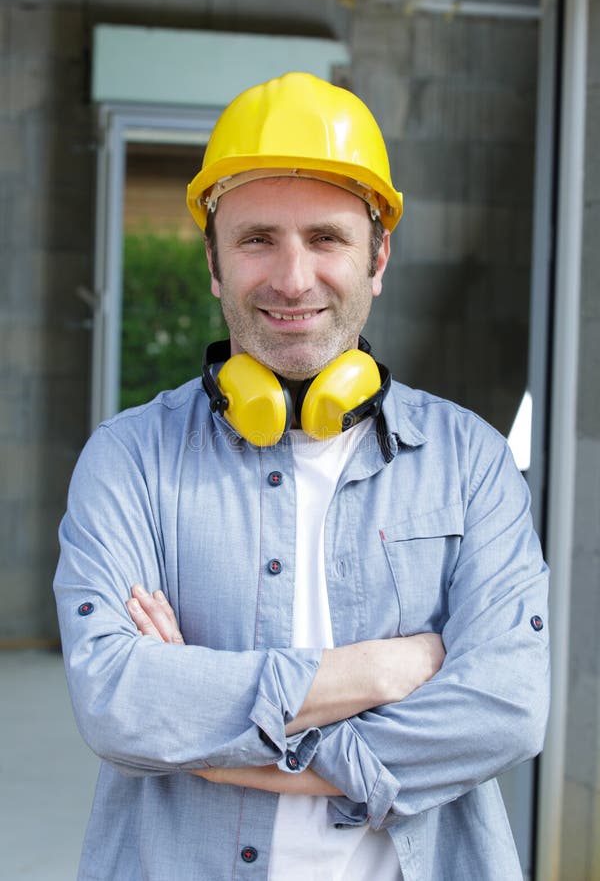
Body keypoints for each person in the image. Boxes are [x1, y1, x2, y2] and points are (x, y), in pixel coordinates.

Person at [54, 72, 550, 881]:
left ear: (377, 255)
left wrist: (217, 747)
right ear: (214, 260)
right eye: (256, 240)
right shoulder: (128, 461)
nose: (291, 279)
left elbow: (506, 711)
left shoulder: (471, 462)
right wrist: (385, 670)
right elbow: (118, 702)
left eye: (325, 238)